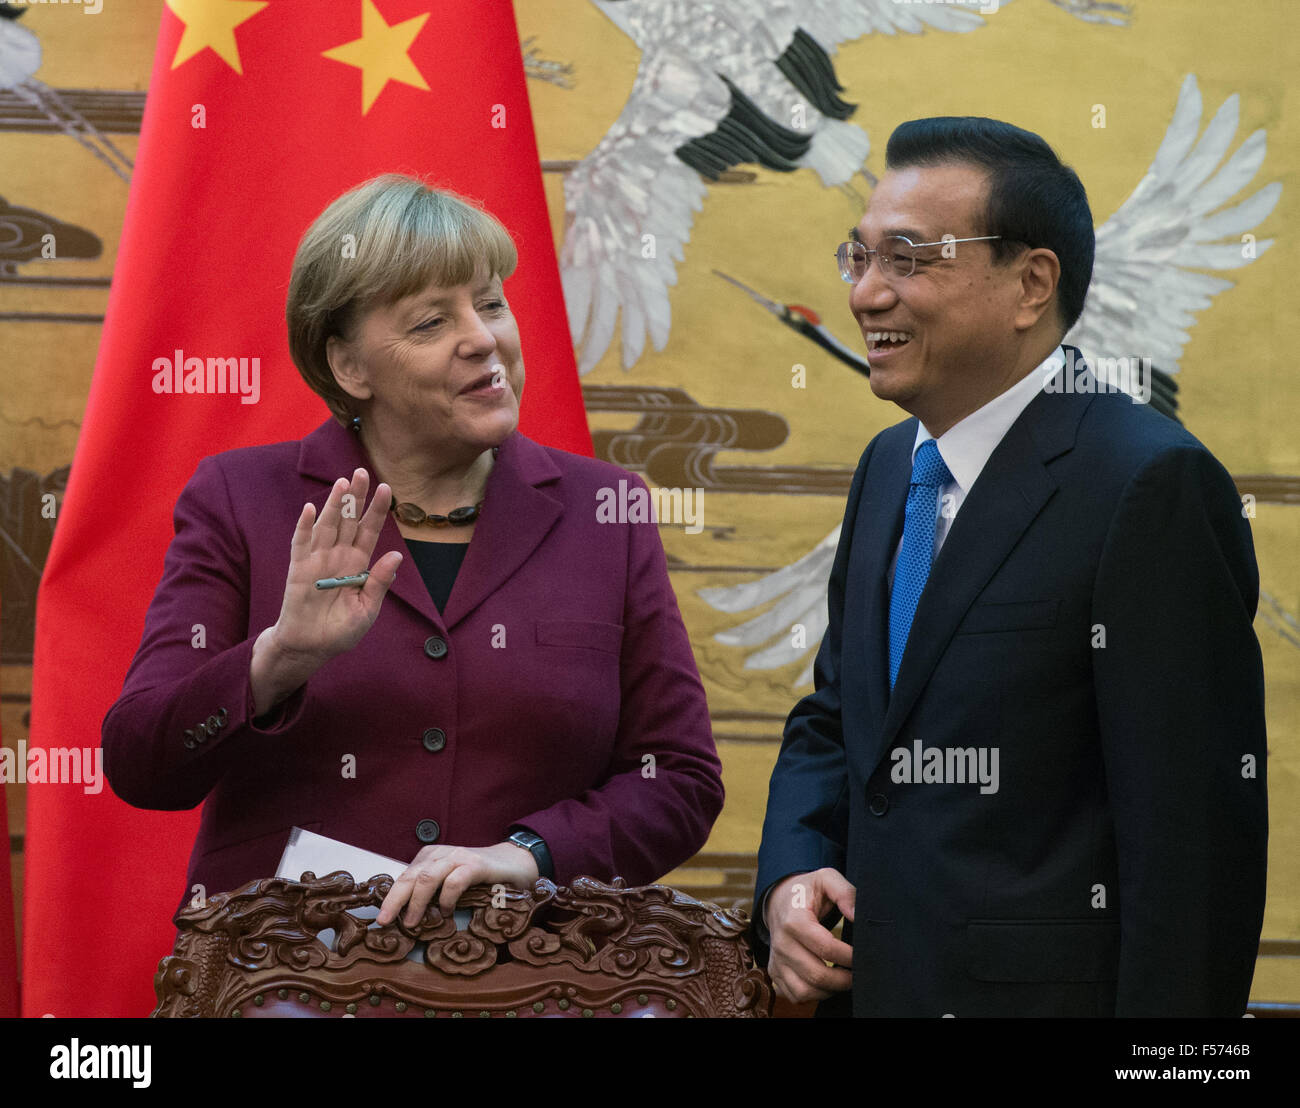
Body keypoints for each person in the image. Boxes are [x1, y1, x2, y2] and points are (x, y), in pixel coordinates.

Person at [102, 174, 723, 930]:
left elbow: (679, 777)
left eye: (491, 303)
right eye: (432, 322)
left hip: (533, 975)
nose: (483, 338)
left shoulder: (606, 510)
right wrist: (278, 659)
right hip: (291, 971)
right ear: (349, 367)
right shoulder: (242, 497)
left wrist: (529, 854)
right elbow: (141, 761)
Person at [753, 117, 1268, 1017]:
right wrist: (790, 877)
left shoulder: (1147, 484)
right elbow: (838, 722)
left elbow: (1195, 851)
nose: (868, 294)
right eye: (859, 257)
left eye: (908, 260)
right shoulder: (888, 466)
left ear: (1031, 283)